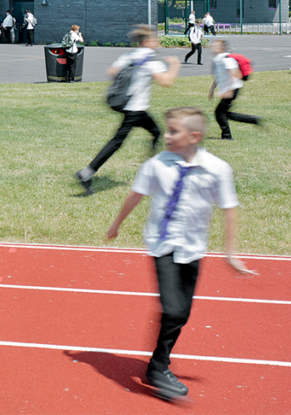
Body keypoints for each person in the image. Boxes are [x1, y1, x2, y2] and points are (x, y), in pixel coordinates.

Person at [106, 107, 256, 400]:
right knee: (173, 309)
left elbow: (229, 209)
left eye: (174, 131)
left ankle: (157, 364)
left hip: (192, 248)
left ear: (194, 136)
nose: (168, 135)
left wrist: (231, 254)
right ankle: (158, 369)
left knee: (181, 313)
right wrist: (116, 223)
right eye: (169, 129)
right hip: (162, 246)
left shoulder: (217, 169)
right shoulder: (156, 165)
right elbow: (136, 194)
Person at [76, 25, 181, 195]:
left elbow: (111, 72)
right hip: (136, 108)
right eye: (155, 40)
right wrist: (175, 65)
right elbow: (167, 81)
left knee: (155, 132)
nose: (158, 42)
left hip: (128, 106)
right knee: (119, 141)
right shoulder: (150, 60)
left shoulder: (129, 56)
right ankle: (86, 173)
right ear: (146, 42)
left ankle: (88, 173)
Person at [209, 40, 260, 140]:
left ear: (222, 48)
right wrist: (212, 89)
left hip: (233, 89)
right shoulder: (218, 59)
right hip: (229, 89)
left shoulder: (226, 59)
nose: (212, 48)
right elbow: (219, 76)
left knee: (220, 113)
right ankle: (253, 120)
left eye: (215, 46)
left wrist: (230, 91)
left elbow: (236, 74)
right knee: (224, 113)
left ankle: (227, 136)